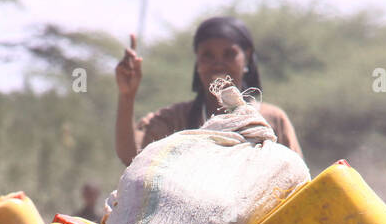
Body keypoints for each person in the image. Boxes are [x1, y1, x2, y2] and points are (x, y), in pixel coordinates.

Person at [114, 16, 303, 166]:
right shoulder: (175, 120)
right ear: (197, 62)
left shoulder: (272, 120)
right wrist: (127, 96)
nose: (218, 63)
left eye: (229, 54)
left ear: (247, 59)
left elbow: (297, 178)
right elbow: (131, 157)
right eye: (208, 55)